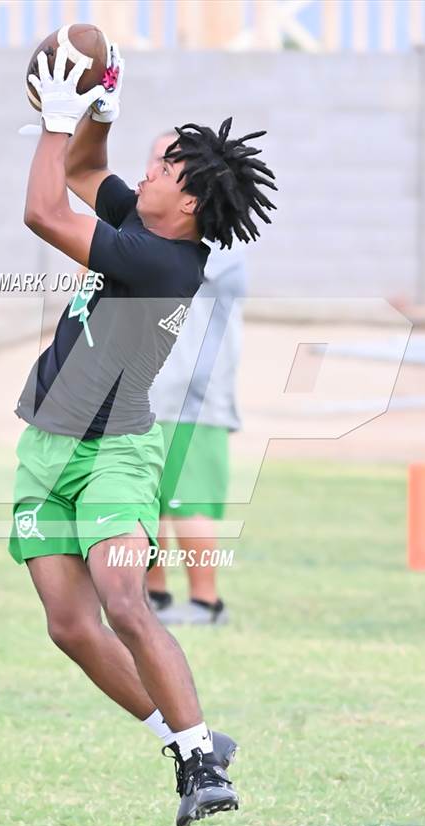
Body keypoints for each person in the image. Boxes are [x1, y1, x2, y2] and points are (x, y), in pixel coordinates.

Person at [9, 43, 276, 826]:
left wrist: (53, 120)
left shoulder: (166, 262)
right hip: (47, 443)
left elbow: (46, 207)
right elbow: (89, 170)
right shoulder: (139, 220)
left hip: (117, 450)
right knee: (68, 625)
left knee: (124, 597)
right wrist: (99, 108)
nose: (147, 172)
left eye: (162, 167)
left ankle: (200, 764)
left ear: (188, 203)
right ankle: (191, 739)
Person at [146, 133, 245, 626]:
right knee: (144, 500)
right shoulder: (148, 228)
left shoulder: (214, 239)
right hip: (146, 395)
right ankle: (154, 594)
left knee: (188, 499)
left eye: (171, 164)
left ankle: (207, 603)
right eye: (159, 160)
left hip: (192, 397)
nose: (156, 169)